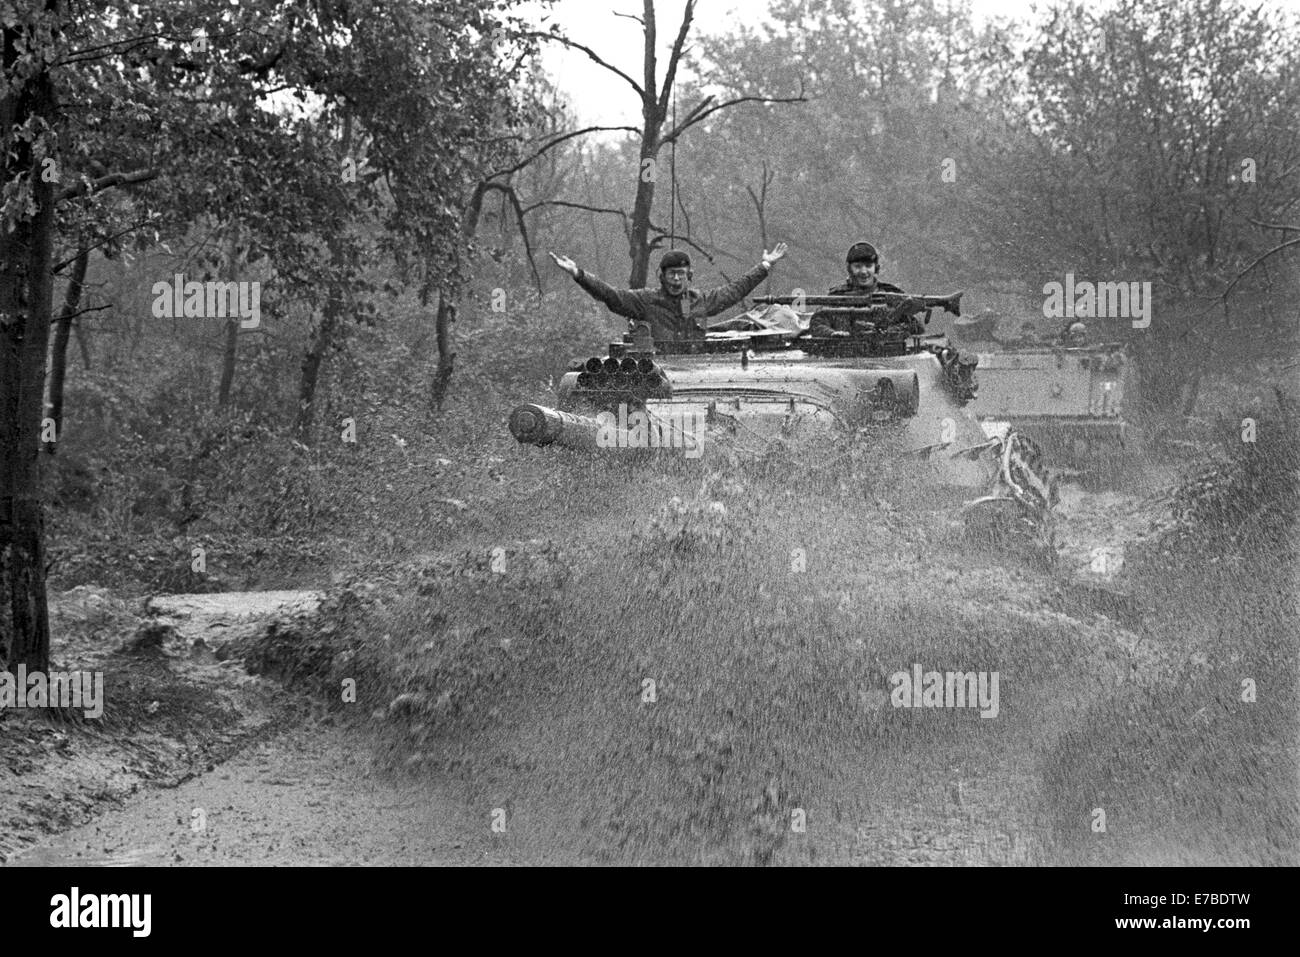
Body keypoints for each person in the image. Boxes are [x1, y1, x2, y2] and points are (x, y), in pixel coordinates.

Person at [549, 245, 788, 343]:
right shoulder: (645, 301)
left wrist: (764, 266)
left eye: (681, 274)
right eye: (671, 274)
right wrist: (579, 274)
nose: (676, 279)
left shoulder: (699, 301)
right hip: (659, 367)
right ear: (662, 276)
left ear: (688, 276)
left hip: (697, 368)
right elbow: (611, 296)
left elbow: (734, 291)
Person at [812, 241, 910, 336]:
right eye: (858, 266)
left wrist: (889, 331)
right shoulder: (836, 297)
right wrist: (832, 334)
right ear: (849, 269)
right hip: (844, 349)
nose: (863, 271)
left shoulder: (891, 295)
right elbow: (816, 324)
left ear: (876, 268)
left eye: (868, 266)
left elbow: (914, 326)